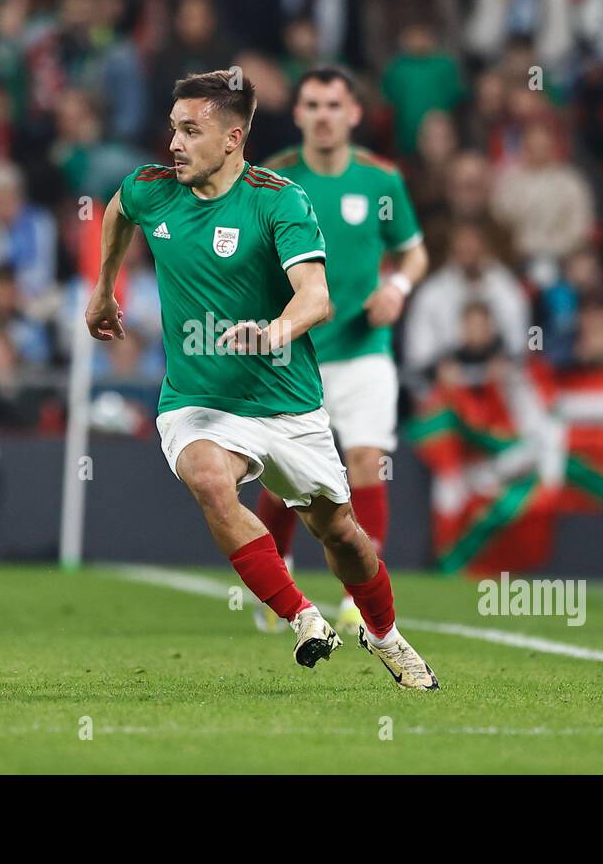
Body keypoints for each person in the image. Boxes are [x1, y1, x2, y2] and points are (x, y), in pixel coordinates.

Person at [84, 69, 438, 689]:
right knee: (209, 478)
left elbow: (317, 298)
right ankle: (300, 616)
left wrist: (274, 332)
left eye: (190, 131)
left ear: (231, 138)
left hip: (284, 400)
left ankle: (383, 634)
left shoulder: (279, 199)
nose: (174, 143)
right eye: (172, 128)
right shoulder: (152, 189)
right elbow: (118, 210)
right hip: (198, 399)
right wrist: (105, 288)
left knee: (341, 533)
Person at [253, 67, 428, 634]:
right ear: (298, 114)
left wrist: (397, 289)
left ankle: (358, 595)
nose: (323, 115)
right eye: (312, 105)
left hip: (365, 350)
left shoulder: (382, 182)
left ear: (353, 114)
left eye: (334, 105)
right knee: (288, 476)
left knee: (366, 462)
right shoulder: (274, 181)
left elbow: (414, 252)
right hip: (296, 354)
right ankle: (277, 579)